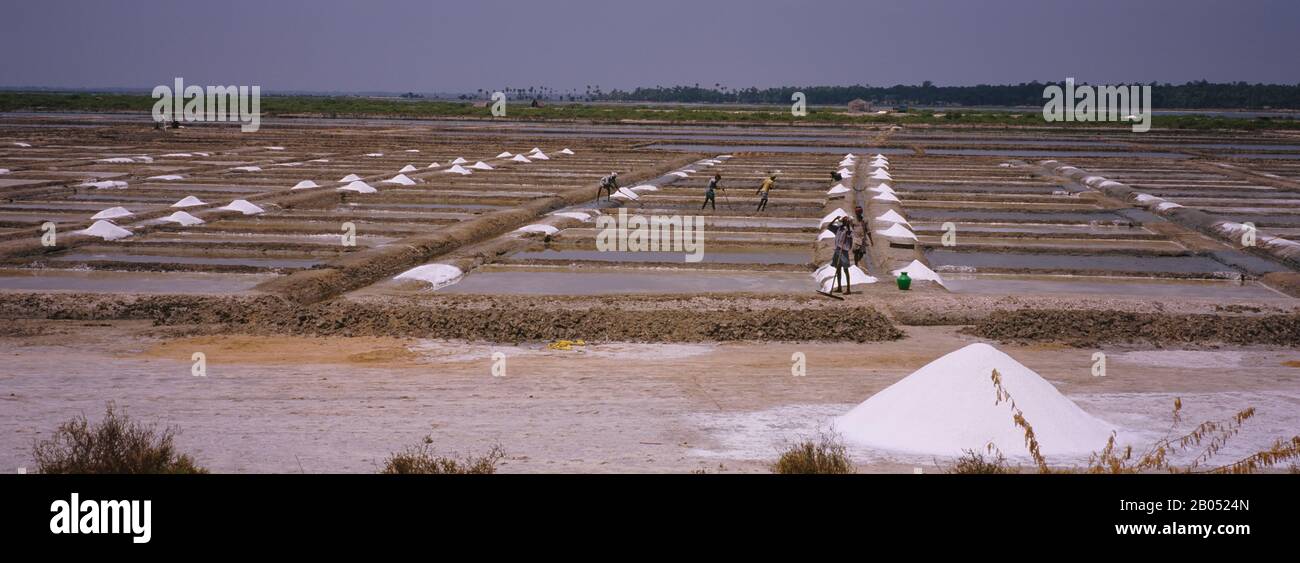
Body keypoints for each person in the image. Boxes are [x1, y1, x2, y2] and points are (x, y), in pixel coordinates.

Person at [830, 216, 854, 294]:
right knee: (838, 269)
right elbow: (829, 226)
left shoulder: (848, 230)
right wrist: (835, 219)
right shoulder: (838, 228)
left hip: (844, 251)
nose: (843, 223)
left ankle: (848, 289)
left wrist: (848, 227)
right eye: (843, 222)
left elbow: (850, 237)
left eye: (844, 222)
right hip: (837, 250)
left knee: (845, 269)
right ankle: (839, 287)